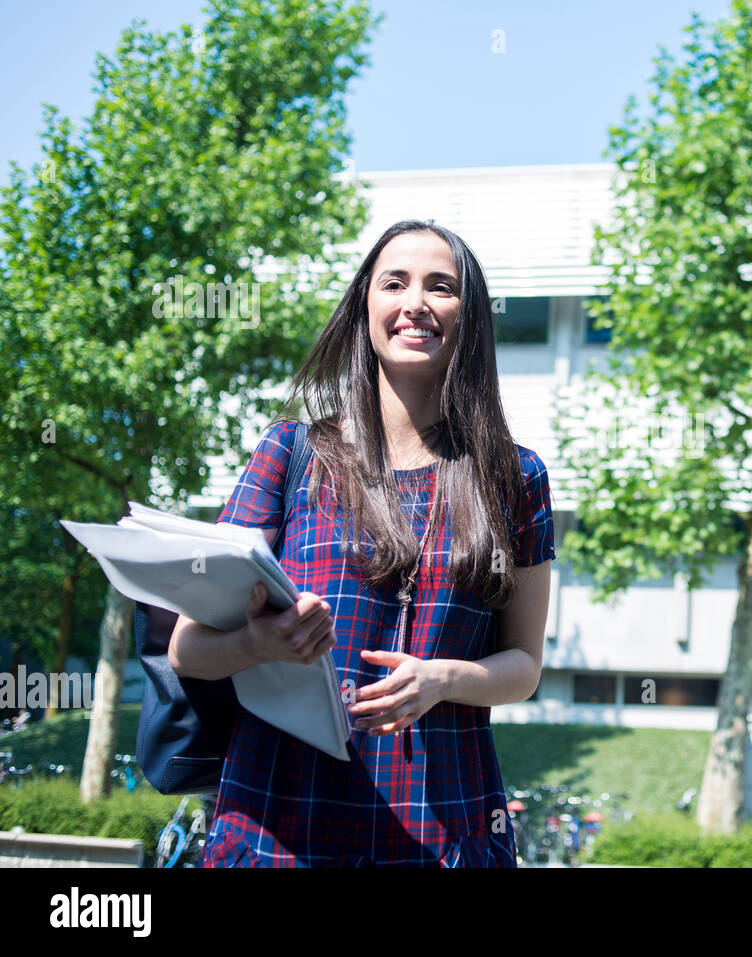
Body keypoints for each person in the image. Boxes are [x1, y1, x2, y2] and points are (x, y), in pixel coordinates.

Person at [169, 220, 555, 867]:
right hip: (278, 825)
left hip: (442, 829)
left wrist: (441, 679)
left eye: (441, 286)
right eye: (394, 282)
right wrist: (259, 643)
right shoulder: (292, 453)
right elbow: (187, 648)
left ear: (470, 316)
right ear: (366, 307)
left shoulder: (515, 477)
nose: (415, 303)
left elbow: (525, 663)